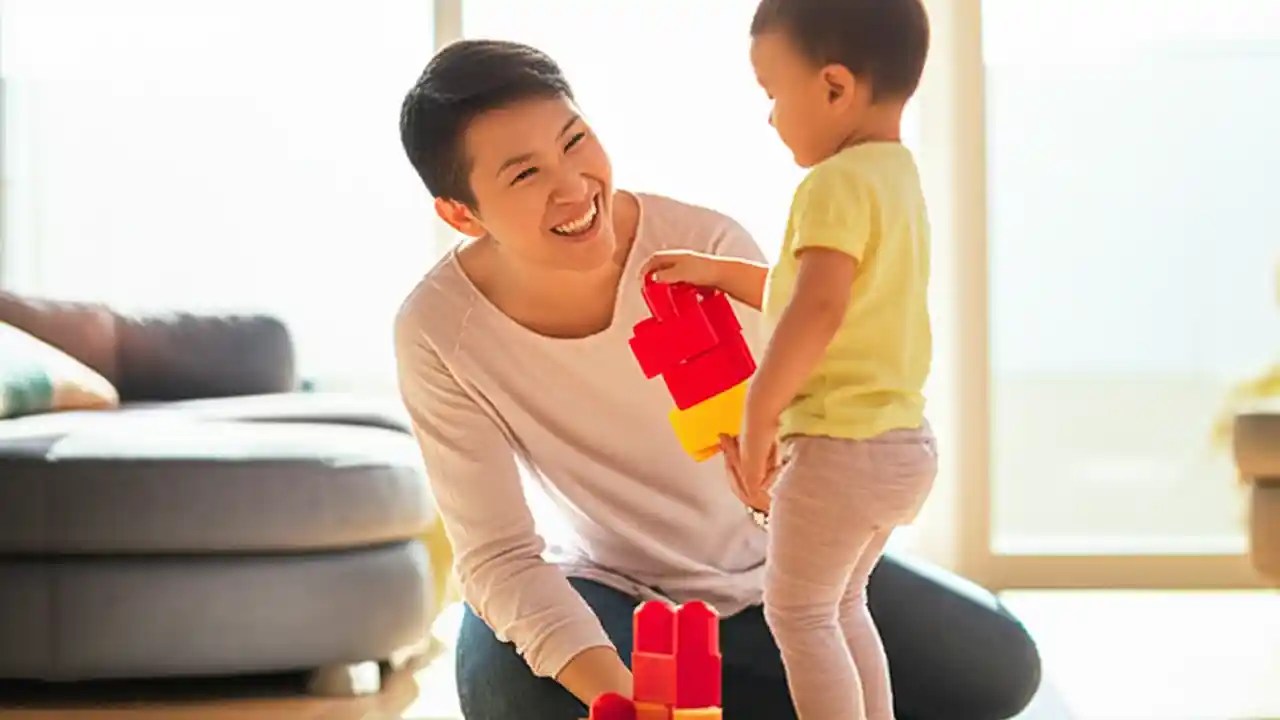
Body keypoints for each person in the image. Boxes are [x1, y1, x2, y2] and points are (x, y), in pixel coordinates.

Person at [394, 37, 1041, 720]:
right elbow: (498, 556)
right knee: (512, 694)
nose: (572, 185)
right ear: (461, 214)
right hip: (615, 588)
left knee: (997, 668)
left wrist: (779, 497)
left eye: (576, 140)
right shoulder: (440, 331)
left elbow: (817, 427)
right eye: (525, 175)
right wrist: (620, 694)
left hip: (784, 566)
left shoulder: (707, 248)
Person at [638, 1, 936, 718]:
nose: (770, 117)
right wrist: (723, 274)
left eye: (773, 93)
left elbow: (819, 307)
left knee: (799, 617)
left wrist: (762, 408)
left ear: (834, 88)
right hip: (904, 447)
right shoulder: (896, 178)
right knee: (842, 603)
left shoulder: (830, 184)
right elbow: (814, 289)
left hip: (840, 450)